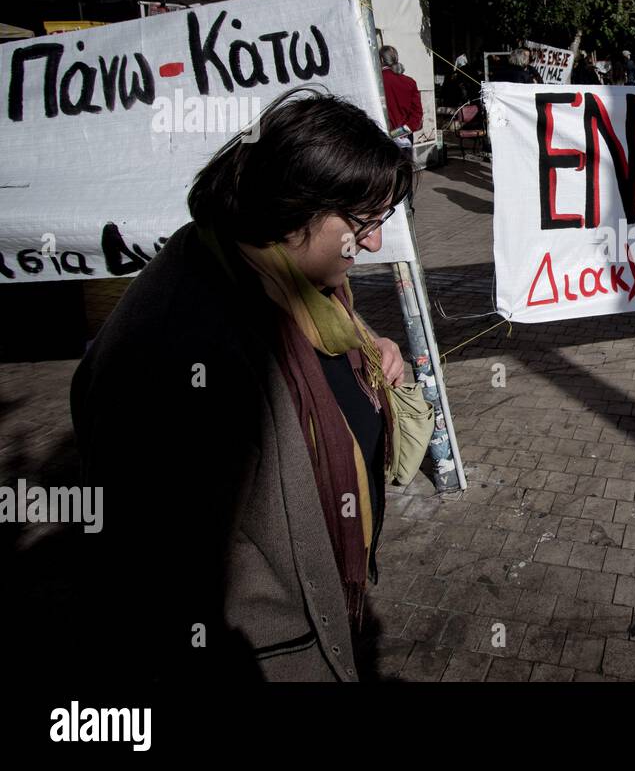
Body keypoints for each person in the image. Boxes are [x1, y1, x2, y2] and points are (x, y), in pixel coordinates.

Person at [70, 89, 416, 681]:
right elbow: (158, 577)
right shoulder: (178, 349)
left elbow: (327, 362)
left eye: (382, 220)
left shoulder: (279, 273)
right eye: (363, 223)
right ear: (292, 204)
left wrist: (373, 358)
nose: (377, 243)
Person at [379, 45, 422, 142]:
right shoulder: (410, 82)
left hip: (382, 139)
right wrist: (397, 133)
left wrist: (391, 135)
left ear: (381, 59)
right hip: (405, 137)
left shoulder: (376, 82)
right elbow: (417, 116)